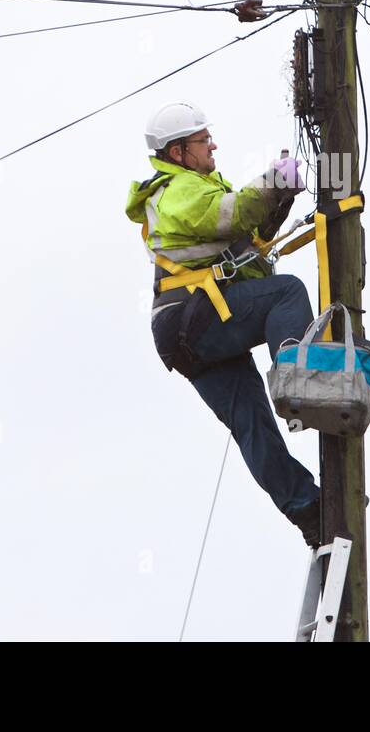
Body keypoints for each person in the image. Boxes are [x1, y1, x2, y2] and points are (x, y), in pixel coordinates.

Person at [124, 101, 322, 547]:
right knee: (287, 293)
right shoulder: (178, 191)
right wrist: (273, 183)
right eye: (201, 140)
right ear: (178, 152)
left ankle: (309, 511)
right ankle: (300, 380)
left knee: (252, 425)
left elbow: (246, 249)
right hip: (194, 318)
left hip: (187, 332)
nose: (211, 144)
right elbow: (230, 214)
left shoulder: (192, 189)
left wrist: (276, 201)